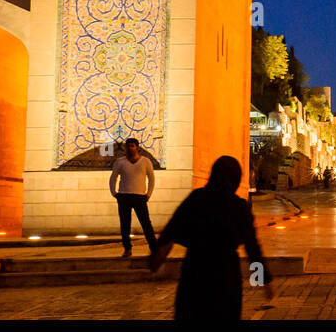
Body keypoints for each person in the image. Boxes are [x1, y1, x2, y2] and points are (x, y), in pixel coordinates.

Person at [147, 155, 275, 319]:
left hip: (195, 272)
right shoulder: (238, 207)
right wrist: (263, 280)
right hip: (225, 276)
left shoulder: (196, 199)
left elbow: (170, 233)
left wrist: (156, 260)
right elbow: (252, 247)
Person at [109, 137, 156, 258]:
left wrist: (148, 194)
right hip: (124, 196)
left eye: (132, 146)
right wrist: (114, 193)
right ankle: (127, 249)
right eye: (128, 146)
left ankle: (154, 248)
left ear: (137, 147)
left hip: (140, 197)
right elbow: (113, 177)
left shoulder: (145, 161)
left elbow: (151, 179)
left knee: (146, 224)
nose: (130, 148)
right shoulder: (120, 162)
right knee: (125, 224)